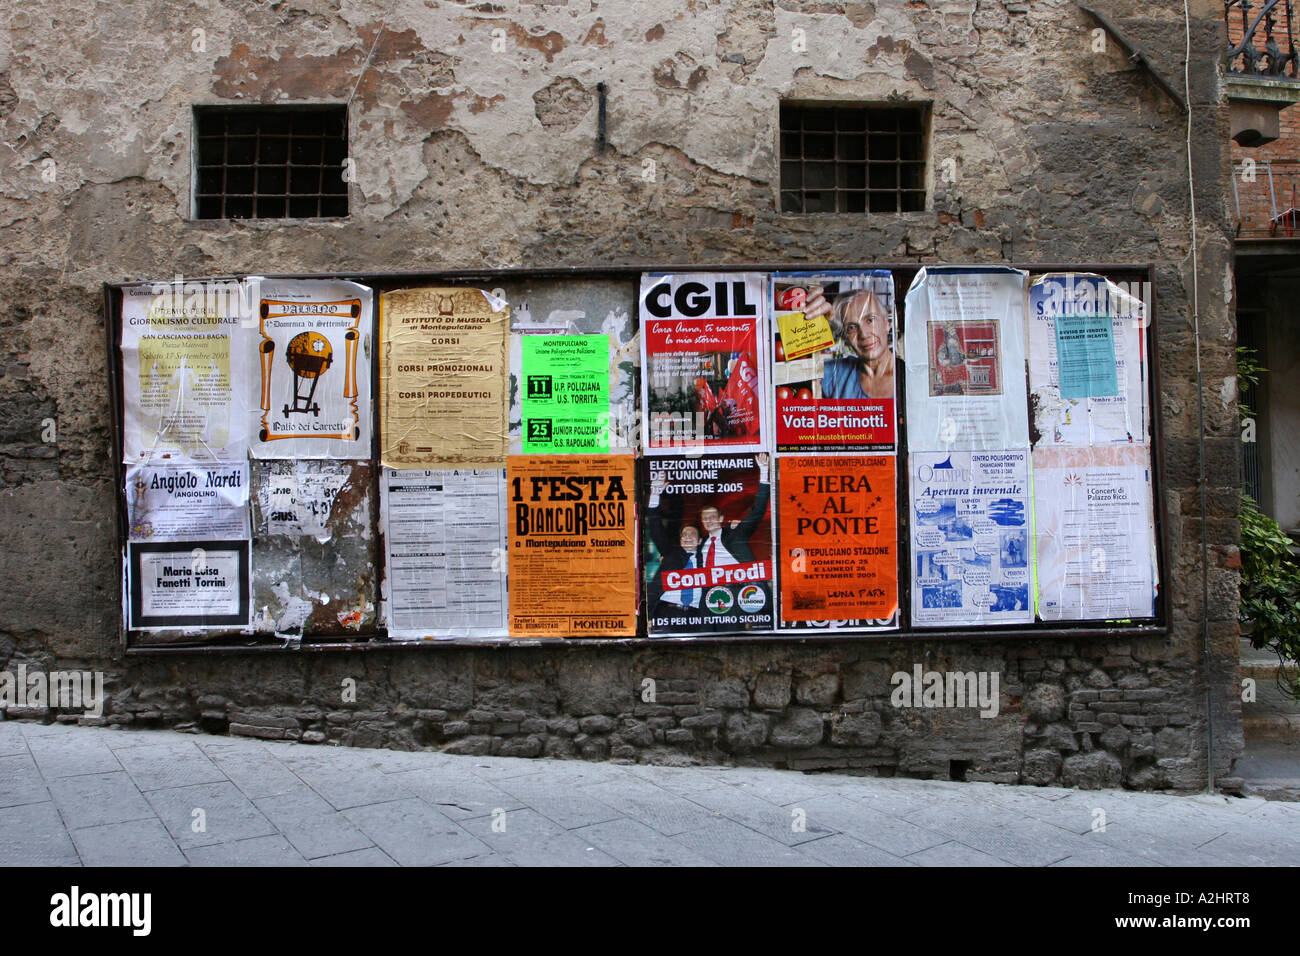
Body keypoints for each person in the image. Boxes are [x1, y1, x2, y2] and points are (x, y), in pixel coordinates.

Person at [646, 474, 704, 629]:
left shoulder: (707, 558)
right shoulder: (671, 553)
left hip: (696, 618)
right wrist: (655, 495)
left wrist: (733, 527)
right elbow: (656, 528)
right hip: (666, 614)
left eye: (692, 534)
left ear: (700, 541)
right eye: (684, 535)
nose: (687, 537)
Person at [820, 290, 895, 400]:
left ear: (887, 324)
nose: (864, 335)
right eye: (851, 327)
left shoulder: (909, 375)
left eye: (870, 320)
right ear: (846, 337)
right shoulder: (835, 373)